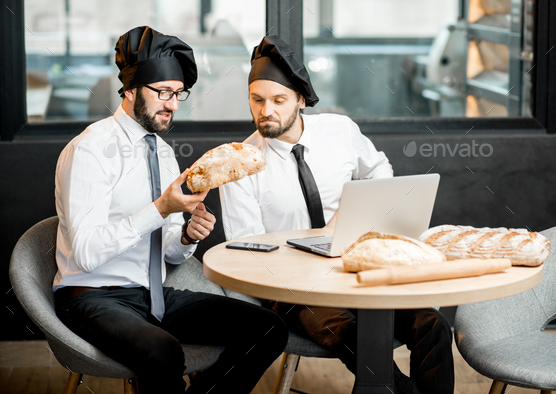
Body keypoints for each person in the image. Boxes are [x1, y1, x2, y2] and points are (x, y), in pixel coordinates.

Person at [53, 26, 288, 394]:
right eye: (163, 92)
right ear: (130, 90)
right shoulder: (90, 150)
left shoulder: (161, 151)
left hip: (152, 294)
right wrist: (161, 207)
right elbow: (85, 253)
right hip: (91, 295)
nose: (173, 104)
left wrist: (185, 234)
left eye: (179, 94)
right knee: (163, 353)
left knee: (269, 328)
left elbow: (167, 252)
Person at [220, 35, 454, 394]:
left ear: (300, 99)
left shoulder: (339, 131)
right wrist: (313, 242)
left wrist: (354, 209)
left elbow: (379, 170)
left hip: (354, 267)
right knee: (356, 337)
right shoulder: (240, 163)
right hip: (293, 289)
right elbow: (247, 249)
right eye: (257, 100)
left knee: (434, 325)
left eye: (278, 100)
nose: (266, 110)